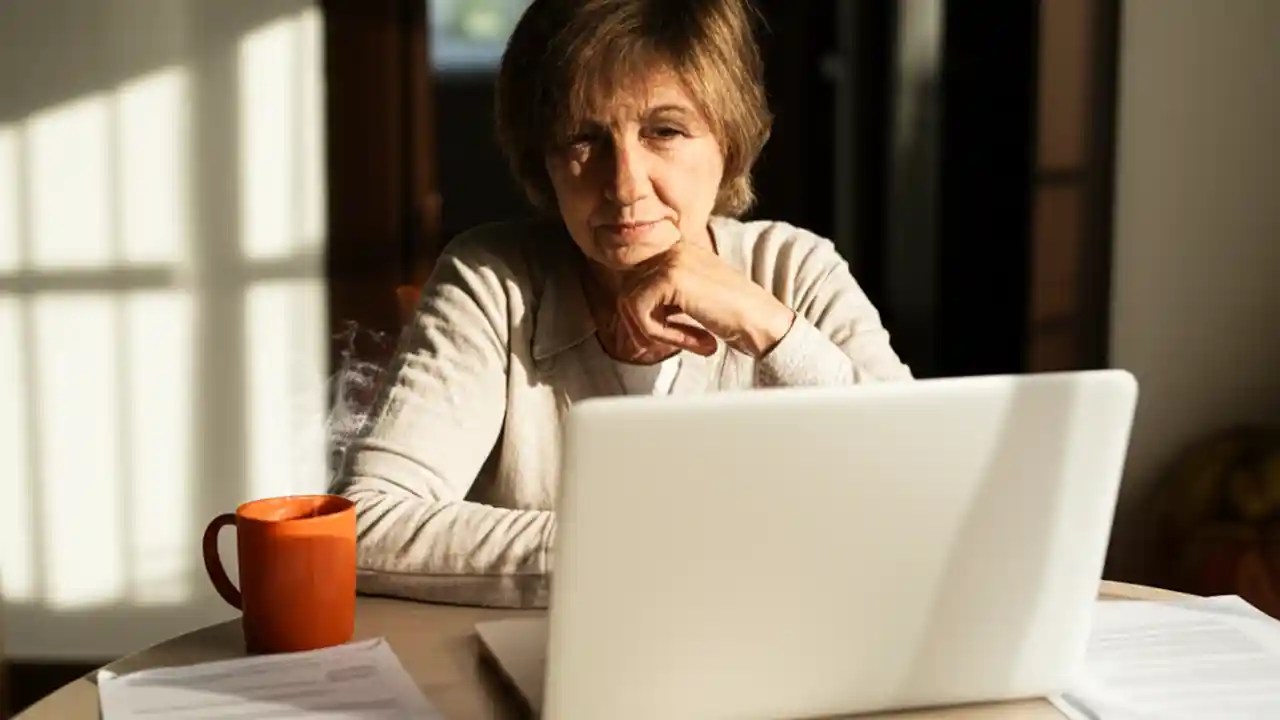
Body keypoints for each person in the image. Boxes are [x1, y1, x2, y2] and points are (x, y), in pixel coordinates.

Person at [336, 0, 912, 607]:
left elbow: (919, 491)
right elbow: (367, 525)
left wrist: (766, 324)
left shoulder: (793, 269)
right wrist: (662, 553)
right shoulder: (493, 281)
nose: (625, 185)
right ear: (544, 159)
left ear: (729, 138)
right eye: (585, 138)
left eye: (664, 131)